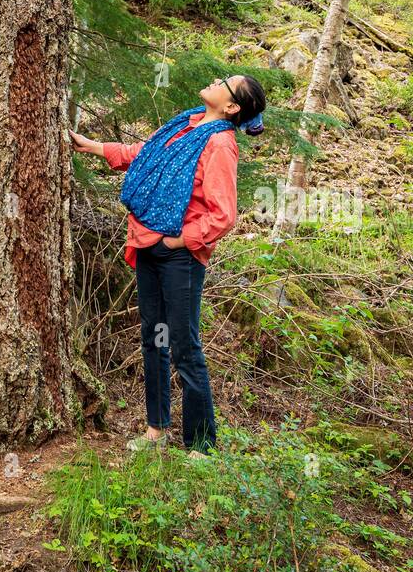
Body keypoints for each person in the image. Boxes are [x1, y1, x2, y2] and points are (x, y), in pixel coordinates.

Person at [70, 73, 266, 456]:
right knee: (154, 339)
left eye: (225, 82)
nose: (214, 79)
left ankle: (200, 446)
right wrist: (93, 147)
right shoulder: (187, 122)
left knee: (184, 346)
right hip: (147, 245)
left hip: (178, 257)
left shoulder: (220, 143)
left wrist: (179, 240)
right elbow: (145, 154)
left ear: (231, 107)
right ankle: (156, 431)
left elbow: (223, 215)